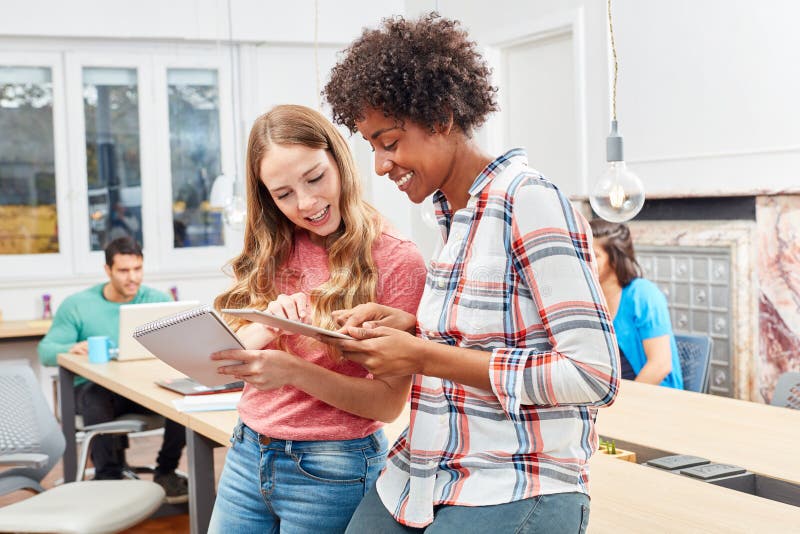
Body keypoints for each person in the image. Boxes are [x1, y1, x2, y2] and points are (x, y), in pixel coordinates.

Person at [322, 13, 619, 533]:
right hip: (424, 472)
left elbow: (594, 374)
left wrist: (422, 355)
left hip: (516, 479)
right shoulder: (451, 216)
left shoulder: (529, 201)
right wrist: (410, 329)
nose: (380, 165)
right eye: (372, 147)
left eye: (389, 142)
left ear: (440, 118)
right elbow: (492, 332)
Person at [207, 104, 427, 533]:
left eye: (314, 178)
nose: (306, 204)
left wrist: (292, 371)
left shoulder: (397, 259)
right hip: (247, 450)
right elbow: (229, 358)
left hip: (332, 468)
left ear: (339, 159)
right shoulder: (273, 245)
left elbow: (387, 403)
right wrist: (265, 326)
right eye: (283, 194)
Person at [37, 236, 189, 502]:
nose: (132, 277)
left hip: (143, 388)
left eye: (137, 269)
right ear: (107, 270)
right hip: (95, 394)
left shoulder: (158, 300)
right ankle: (108, 478)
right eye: (123, 270)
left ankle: (166, 471)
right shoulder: (78, 305)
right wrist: (72, 347)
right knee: (97, 395)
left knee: (184, 395)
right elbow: (45, 351)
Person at [589, 219, 684, 388]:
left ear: (615, 259)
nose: (585, 260)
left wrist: (622, 400)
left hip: (653, 395)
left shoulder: (643, 294)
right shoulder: (590, 297)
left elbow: (660, 365)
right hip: (610, 394)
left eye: (594, 255)